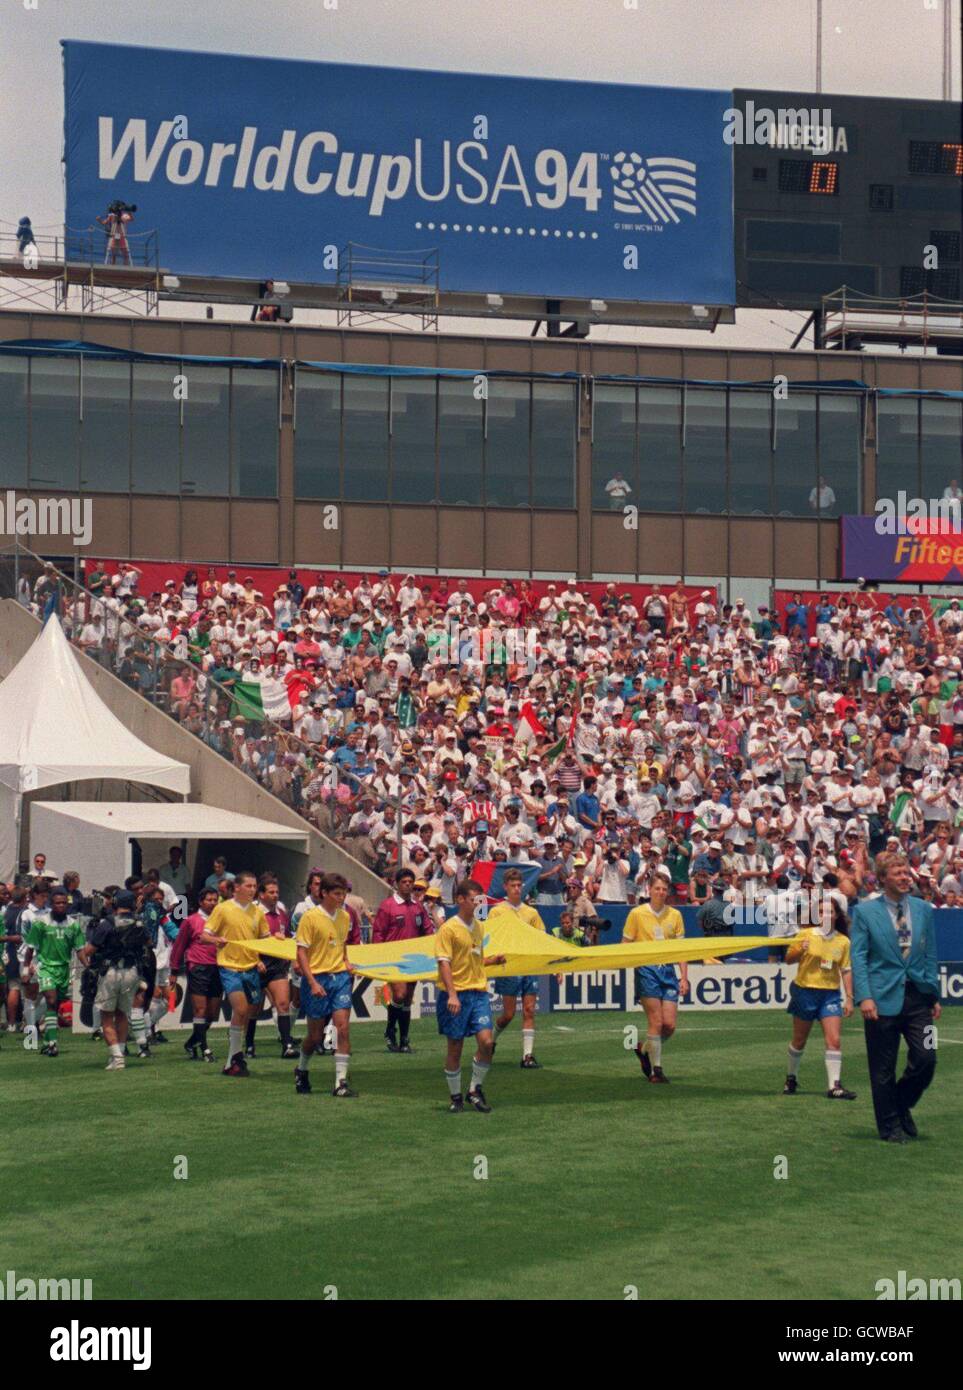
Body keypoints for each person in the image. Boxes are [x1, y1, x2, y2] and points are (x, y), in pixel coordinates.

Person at [850, 852, 941, 1143]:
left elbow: (929, 954)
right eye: (898, 873)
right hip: (880, 1000)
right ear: (882, 878)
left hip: (918, 998)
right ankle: (890, 1126)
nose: (905, 877)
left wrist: (933, 992)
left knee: (928, 1057)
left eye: (906, 872)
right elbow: (859, 956)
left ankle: (900, 1104)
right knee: (882, 1068)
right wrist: (864, 996)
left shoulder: (923, 909)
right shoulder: (865, 912)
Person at [435, 878, 505, 1113]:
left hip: (478, 993)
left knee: (487, 1042)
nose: (477, 902)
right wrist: (452, 995)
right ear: (460, 899)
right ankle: (455, 1097)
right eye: (473, 898)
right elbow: (444, 963)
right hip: (456, 995)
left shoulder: (478, 926)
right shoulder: (448, 929)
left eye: (479, 898)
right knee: (455, 1047)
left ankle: (474, 1090)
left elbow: (475, 958)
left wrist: (492, 960)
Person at [782, 891, 856, 1100]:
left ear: (836, 915)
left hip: (830, 995)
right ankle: (791, 1077)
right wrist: (800, 950)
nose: (825, 915)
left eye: (829, 912)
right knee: (799, 1040)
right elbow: (788, 959)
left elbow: (846, 970)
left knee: (834, 1040)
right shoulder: (805, 935)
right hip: (805, 991)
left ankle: (835, 1086)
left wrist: (849, 997)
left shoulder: (843, 941)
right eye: (821, 911)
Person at [623, 868, 689, 1084]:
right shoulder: (637, 914)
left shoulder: (675, 915)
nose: (660, 892)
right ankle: (656, 1070)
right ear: (649, 889)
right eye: (657, 888)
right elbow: (625, 944)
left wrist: (684, 977)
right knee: (656, 1021)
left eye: (664, 889)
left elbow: (681, 950)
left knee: (669, 1025)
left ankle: (644, 1049)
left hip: (668, 972)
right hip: (646, 971)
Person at [293, 872, 357, 1098]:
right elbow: (301, 951)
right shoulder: (310, 917)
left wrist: (346, 962)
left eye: (344, 894)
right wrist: (311, 982)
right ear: (324, 893)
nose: (341, 898)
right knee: (315, 1036)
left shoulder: (345, 916)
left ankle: (340, 1082)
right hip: (317, 978)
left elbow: (342, 943)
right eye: (337, 894)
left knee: (342, 1029)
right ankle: (301, 1069)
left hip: (339, 978)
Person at [202, 870, 270, 1078]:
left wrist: (274, 941)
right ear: (237, 888)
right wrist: (216, 941)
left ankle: (233, 1060)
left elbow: (263, 938)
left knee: (247, 1013)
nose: (252, 890)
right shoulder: (223, 909)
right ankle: (236, 1057)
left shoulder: (258, 912)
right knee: (240, 1009)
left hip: (250, 967)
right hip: (229, 966)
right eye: (248, 886)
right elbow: (205, 935)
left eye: (254, 886)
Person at [488, 869, 547, 1069]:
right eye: (512, 885)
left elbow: (542, 938)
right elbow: (491, 938)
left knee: (529, 1010)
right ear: (505, 887)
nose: (516, 889)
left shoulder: (531, 913)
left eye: (519, 885)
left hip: (528, 965)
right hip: (508, 966)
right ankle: (492, 1041)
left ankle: (527, 1056)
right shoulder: (497, 911)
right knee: (508, 1014)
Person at [86, 890, 151, 1071]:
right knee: (122, 1013)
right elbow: (148, 942)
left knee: (107, 1016)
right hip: (132, 972)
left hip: (111, 971)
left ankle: (117, 1056)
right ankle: (120, 1053)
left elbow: (89, 950)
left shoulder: (107, 923)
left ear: (115, 903)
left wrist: (89, 962)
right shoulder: (139, 922)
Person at [23, 886, 91, 1057]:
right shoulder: (41, 923)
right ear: (51, 904)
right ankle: (53, 1044)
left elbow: (80, 949)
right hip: (45, 967)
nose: (61, 906)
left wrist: (88, 967)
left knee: (55, 1004)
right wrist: (26, 969)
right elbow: (30, 948)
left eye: (63, 903)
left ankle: (47, 1041)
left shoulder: (73, 925)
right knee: (51, 1000)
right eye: (57, 903)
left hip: (63, 969)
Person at [372, 867, 434, 1053]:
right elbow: (378, 932)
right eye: (404, 882)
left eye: (410, 883)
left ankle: (404, 1039)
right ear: (396, 884)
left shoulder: (417, 907)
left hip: (414, 959)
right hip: (393, 959)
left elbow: (427, 930)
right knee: (398, 994)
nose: (408, 885)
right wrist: (378, 956)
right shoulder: (387, 906)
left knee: (407, 999)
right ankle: (391, 1030)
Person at [248, 874, 298, 1059]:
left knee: (283, 1004)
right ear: (261, 894)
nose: (275, 895)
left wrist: (291, 957)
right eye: (271, 892)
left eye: (277, 892)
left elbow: (288, 938)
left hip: (277, 966)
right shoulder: (252, 913)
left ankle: (287, 1044)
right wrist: (255, 960)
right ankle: (249, 1045)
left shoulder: (282, 913)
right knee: (254, 1009)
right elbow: (248, 939)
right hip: (256, 965)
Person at [169, 886, 221, 1062]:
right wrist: (174, 970)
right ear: (201, 902)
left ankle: (192, 1041)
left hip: (218, 967)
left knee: (213, 1012)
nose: (213, 903)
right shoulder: (191, 921)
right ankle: (205, 1048)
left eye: (215, 900)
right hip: (198, 966)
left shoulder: (221, 920)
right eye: (209, 900)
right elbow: (179, 946)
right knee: (200, 1009)